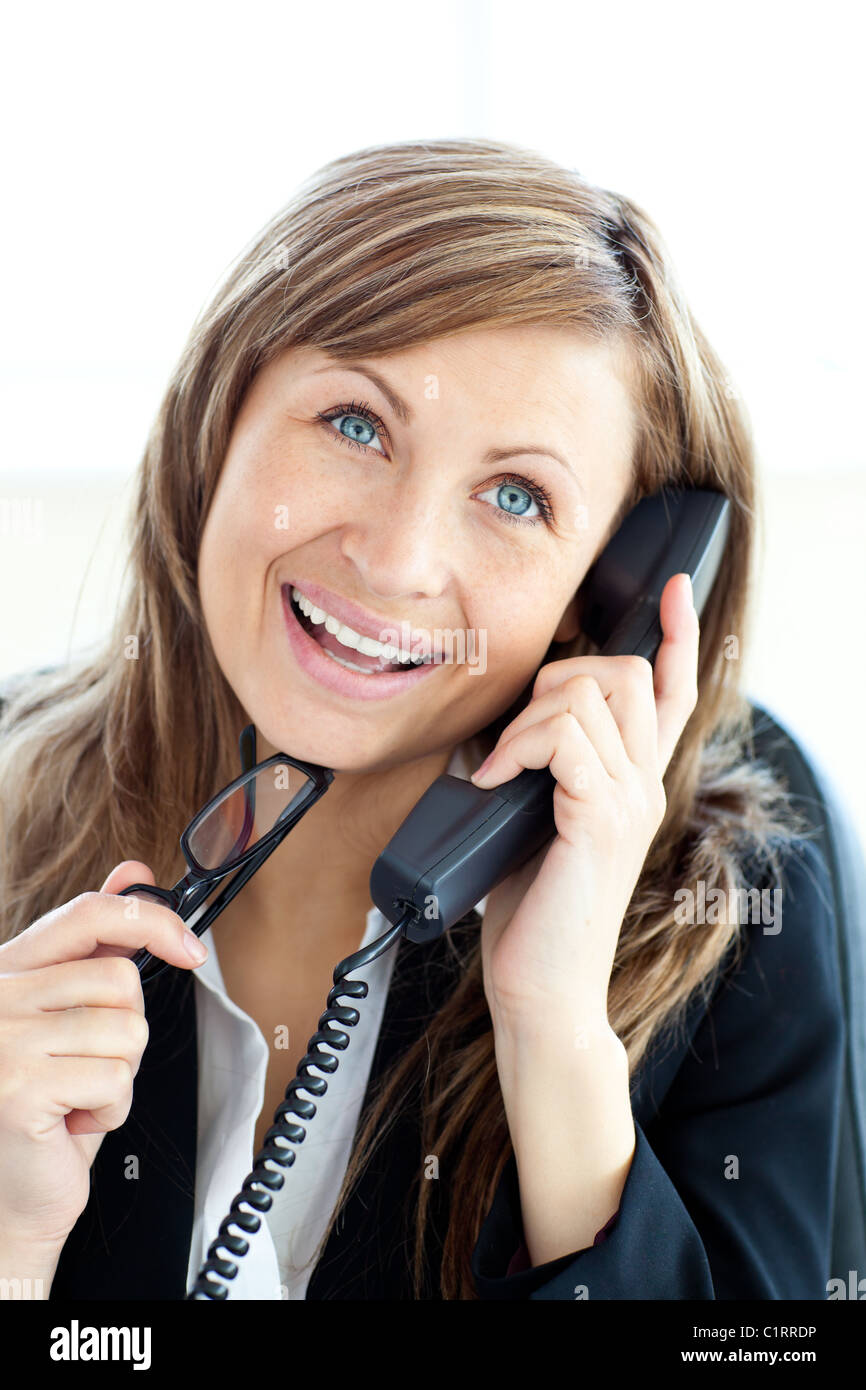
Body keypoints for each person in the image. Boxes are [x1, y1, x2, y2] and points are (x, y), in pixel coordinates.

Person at [0, 138, 844, 1301]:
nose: (395, 560)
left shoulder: (730, 922)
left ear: (608, 599)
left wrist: (553, 1038)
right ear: (219, 420)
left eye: (515, 497)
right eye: (354, 423)